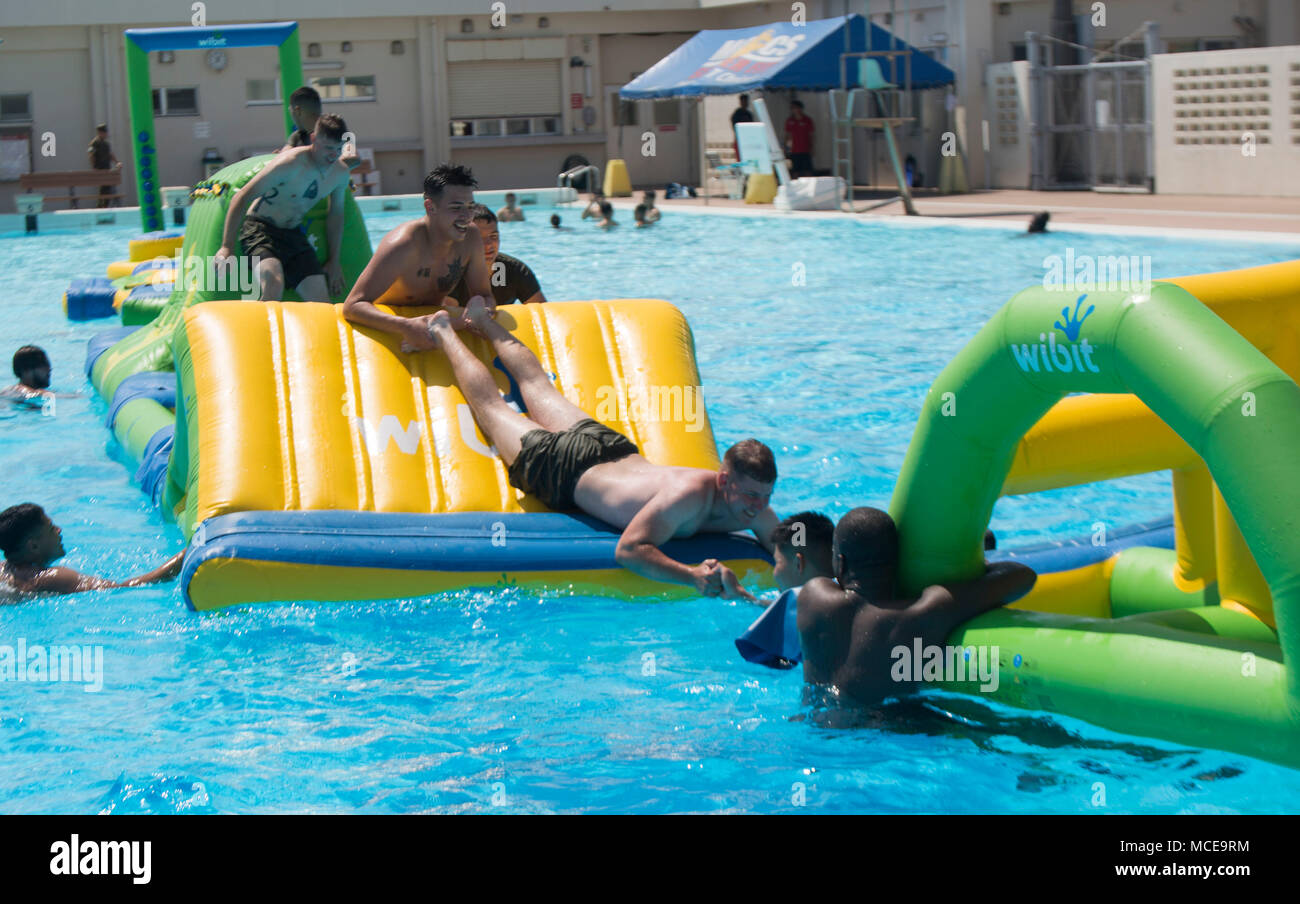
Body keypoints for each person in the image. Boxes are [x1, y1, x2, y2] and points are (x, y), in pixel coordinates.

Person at [422, 297, 779, 598]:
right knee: (492, 409)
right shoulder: (686, 498)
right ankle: (442, 330)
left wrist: (762, 594)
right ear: (723, 481)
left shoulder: (757, 511)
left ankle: (482, 319)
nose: (758, 505)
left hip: (611, 448)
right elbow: (629, 551)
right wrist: (692, 576)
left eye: (764, 496)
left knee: (539, 386)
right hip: (563, 468)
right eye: (750, 495)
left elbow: (788, 558)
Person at [798, 507, 1036, 708]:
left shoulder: (812, 598)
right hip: (889, 734)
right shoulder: (921, 615)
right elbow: (1024, 577)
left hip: (815, 722)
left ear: (840, 563)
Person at [342, 164, 495, 352]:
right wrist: (405, 326)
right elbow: (352, 305)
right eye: (456, 208)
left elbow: (484, 295)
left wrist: (483, 312)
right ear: (430, 207)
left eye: (471, 207)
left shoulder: (471, 237)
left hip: (435, 323)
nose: (466, 216)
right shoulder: (403, 245)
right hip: (390, 329)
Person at [215, 113, 353, 302]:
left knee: (322, 301)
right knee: (274, 283)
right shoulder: (289, 164)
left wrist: (334, 260)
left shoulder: (340, 173)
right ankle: (262, 330)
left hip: (293, 234)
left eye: (338, 149)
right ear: (313, 139)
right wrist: (226, 247)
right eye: (328, 148)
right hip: (259, 230)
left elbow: (335, 215)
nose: (333, 155)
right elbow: (242, 196)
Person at [0, 504, 183, 600]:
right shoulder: (51, 577)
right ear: (33, 546)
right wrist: (185, 555)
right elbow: (124, 588)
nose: (59, 530)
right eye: (51, 528)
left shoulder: (4, 571)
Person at [736, 512, 835, 669]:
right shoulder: (846, 596)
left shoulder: (799, 605)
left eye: (778, 562)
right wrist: (744, 596)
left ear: (798, 564)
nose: (774, 572)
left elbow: (771, 660)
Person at [448, 205, 546, 306]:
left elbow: (543, 314)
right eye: (479, 238)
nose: (488, 245)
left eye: (493, 236)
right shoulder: (451, 273)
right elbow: (449, 315)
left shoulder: (515, 271)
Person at [2, 346, 78, 409]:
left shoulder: (8, 390)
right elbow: (36, 394)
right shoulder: (24, 390)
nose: (49, 369)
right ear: (27, 370)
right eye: (44, 365)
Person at [87, 124, 121, 209]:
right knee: (103, 189)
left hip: (107, 168)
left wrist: (117, 162)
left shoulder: (106, 144)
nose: (106, 134)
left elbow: (110, 154)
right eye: (104, 132)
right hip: (100, 169)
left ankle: (104, 206)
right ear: (99, 132)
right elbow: (91, 154)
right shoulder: (95, 143)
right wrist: (94, 167)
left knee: (107, 189)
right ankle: (101, 207)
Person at [783, 99, 815, 178]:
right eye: (793, 108)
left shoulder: (807, 120)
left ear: (800, 108)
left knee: (808, 170)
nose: (795, 110)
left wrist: (812, 148)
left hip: (805, 149)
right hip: (794, 150)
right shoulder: (790, 120)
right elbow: (788, 135)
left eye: (796, 108)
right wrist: (786, 148)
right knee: (795, 171)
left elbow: (811, 135)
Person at [730, 93, 755, 160]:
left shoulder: (749, 114)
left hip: (748, 139)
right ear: (740, 102)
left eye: (746, 101)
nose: (745, 103)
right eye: (743, 101)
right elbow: (734, 126)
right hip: (739, 139)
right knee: (740, 158)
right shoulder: (737, 113)